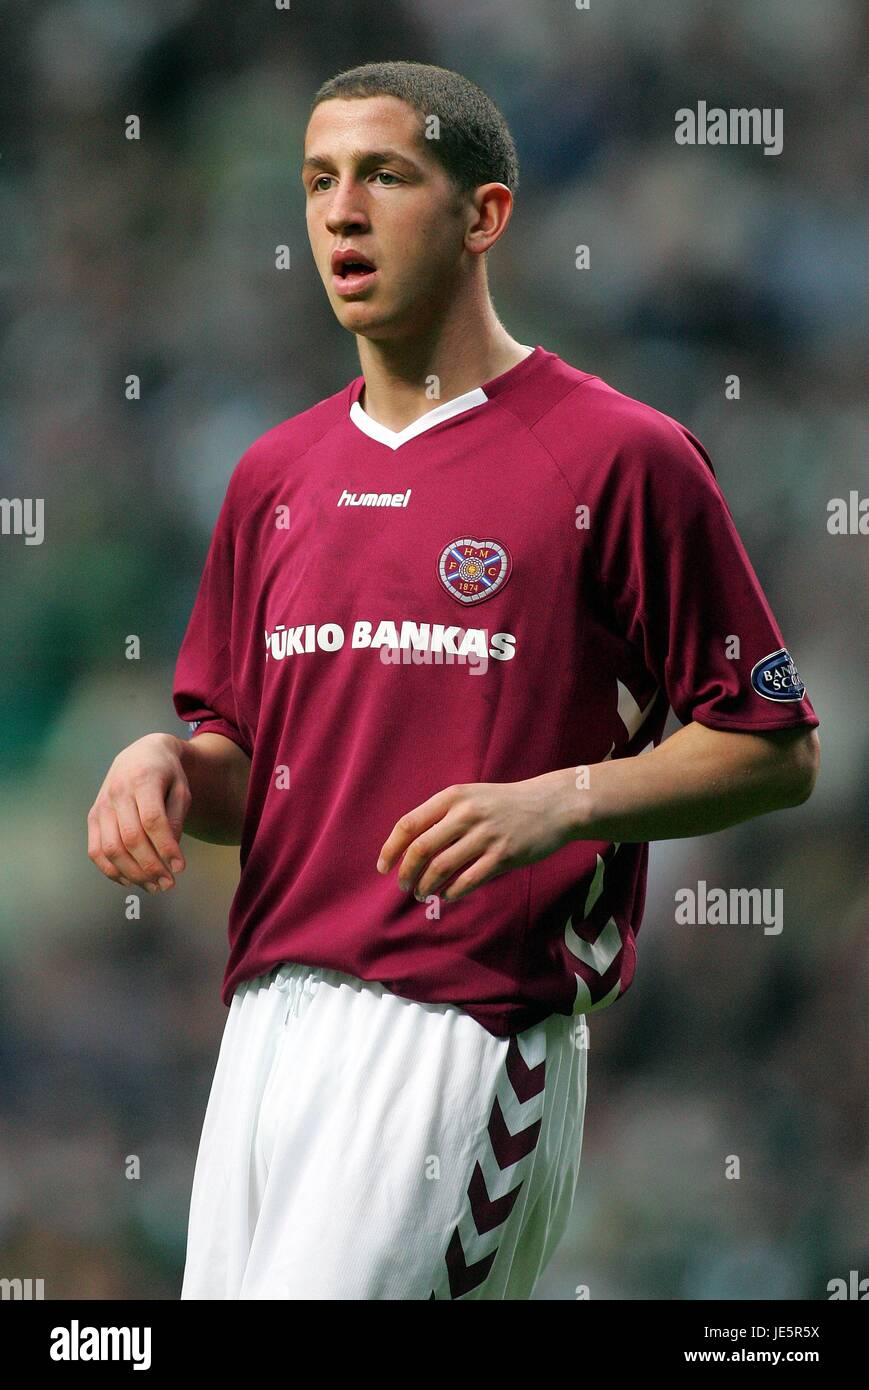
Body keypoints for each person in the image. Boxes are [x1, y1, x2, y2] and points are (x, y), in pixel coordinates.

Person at [86, 60, 820, 1300]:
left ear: (483, 215)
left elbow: (773, 747)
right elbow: (252, 775)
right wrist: (158, 765)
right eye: (318, 180)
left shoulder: (618, 457)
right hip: (266, 1027)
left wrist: (564, 799)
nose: (339, 211)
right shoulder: (274, 476)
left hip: (463, 1029)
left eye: (384, 175)